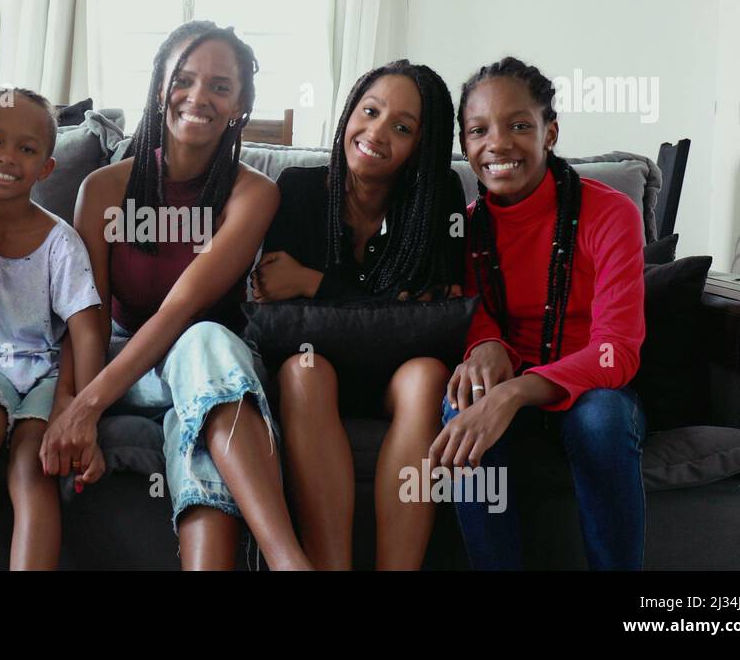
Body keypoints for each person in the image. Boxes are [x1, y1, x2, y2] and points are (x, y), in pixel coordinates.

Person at [40, 20, 312, 570]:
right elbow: (86, 316)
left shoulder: (254, 194)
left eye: (220, 86)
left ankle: (286, 563)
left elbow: (182, 308)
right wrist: (75, 407)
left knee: (201, 350)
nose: (199, 97)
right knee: (192, 359)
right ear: (160, 87)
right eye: (184, 79)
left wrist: (89, 406)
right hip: (125, 364)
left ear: (239, 105)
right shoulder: (104, 189)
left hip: (217, 365)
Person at [429, 56, 647, 570]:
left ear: (550, 133)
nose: (498, 144)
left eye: (519, 126)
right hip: (507, 381)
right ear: (465, 146)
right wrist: (485, 344)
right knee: (461, 409)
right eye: (479, 130)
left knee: (601, 418)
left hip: (591, 389)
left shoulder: (611, 212)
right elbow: (469, 308)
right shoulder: (462, 228)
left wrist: (513, 392)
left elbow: (616, 353)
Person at [254, 59, 465, 570]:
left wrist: (313, 283)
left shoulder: (442, 200)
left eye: (402, 127)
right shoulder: (299, 189)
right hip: (313, 364)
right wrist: (385, 302)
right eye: (369, 111)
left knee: (427, 376)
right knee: (305, 371)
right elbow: (272, 301)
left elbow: (436, 310)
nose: (375, 132)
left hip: (400, 369)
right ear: (349, 113)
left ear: (422, 145)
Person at [0, 87, 106, 570]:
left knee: (31, 468)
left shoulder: (59, 242)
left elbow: (87, 329)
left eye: (27, 149)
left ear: (46, 168)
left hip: (48, 374)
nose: (7, 158)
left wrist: (79, 410)